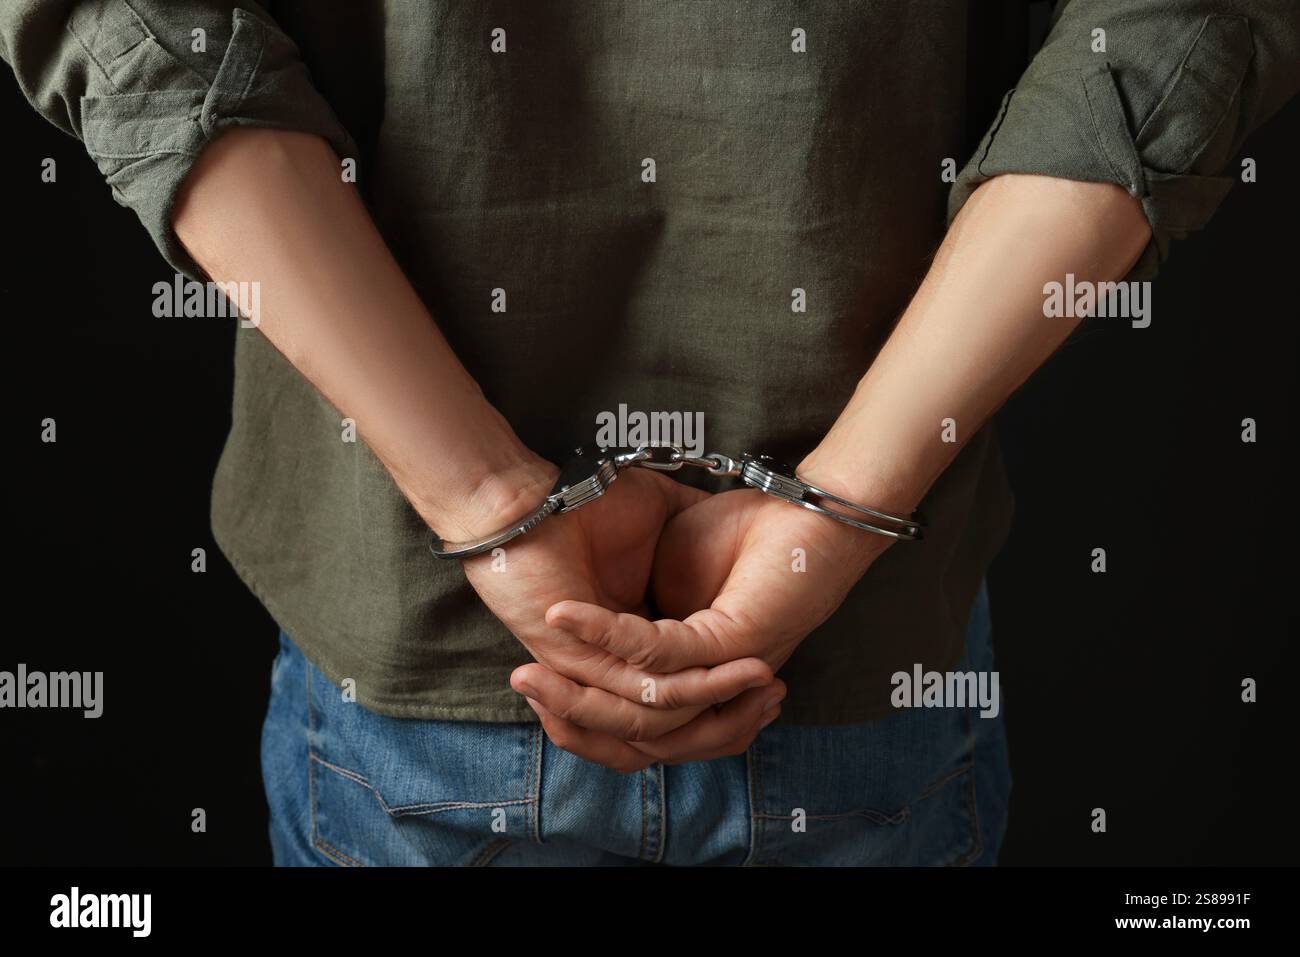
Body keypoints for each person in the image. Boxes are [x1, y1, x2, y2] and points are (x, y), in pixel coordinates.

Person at [4, 1, 1295, 866]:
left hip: (417, 652)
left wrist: (490, 509)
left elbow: (129, 27)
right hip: (863, 658)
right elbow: (1175, 31)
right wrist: (830, 522)